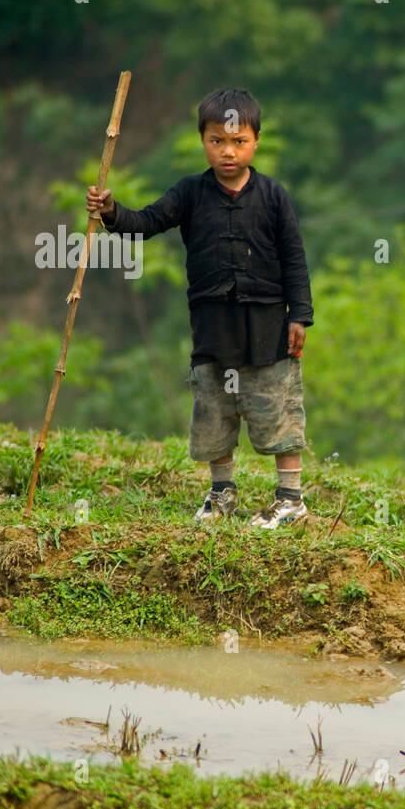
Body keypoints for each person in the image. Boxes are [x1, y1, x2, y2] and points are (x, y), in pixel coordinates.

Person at [86, 87, 314, 528]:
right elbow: (146, 224)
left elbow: (294, 258)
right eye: (217, 141)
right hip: (213, 328)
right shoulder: (190, 194)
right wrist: (112, 210)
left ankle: (290, 500)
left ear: (256, 141)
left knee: (276, 406)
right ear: (203, 141)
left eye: (239, 141)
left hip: (268, 326)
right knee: (214, 407)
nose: (228, 152)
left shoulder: (273, 196)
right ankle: (222, 493)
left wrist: (300, 315)